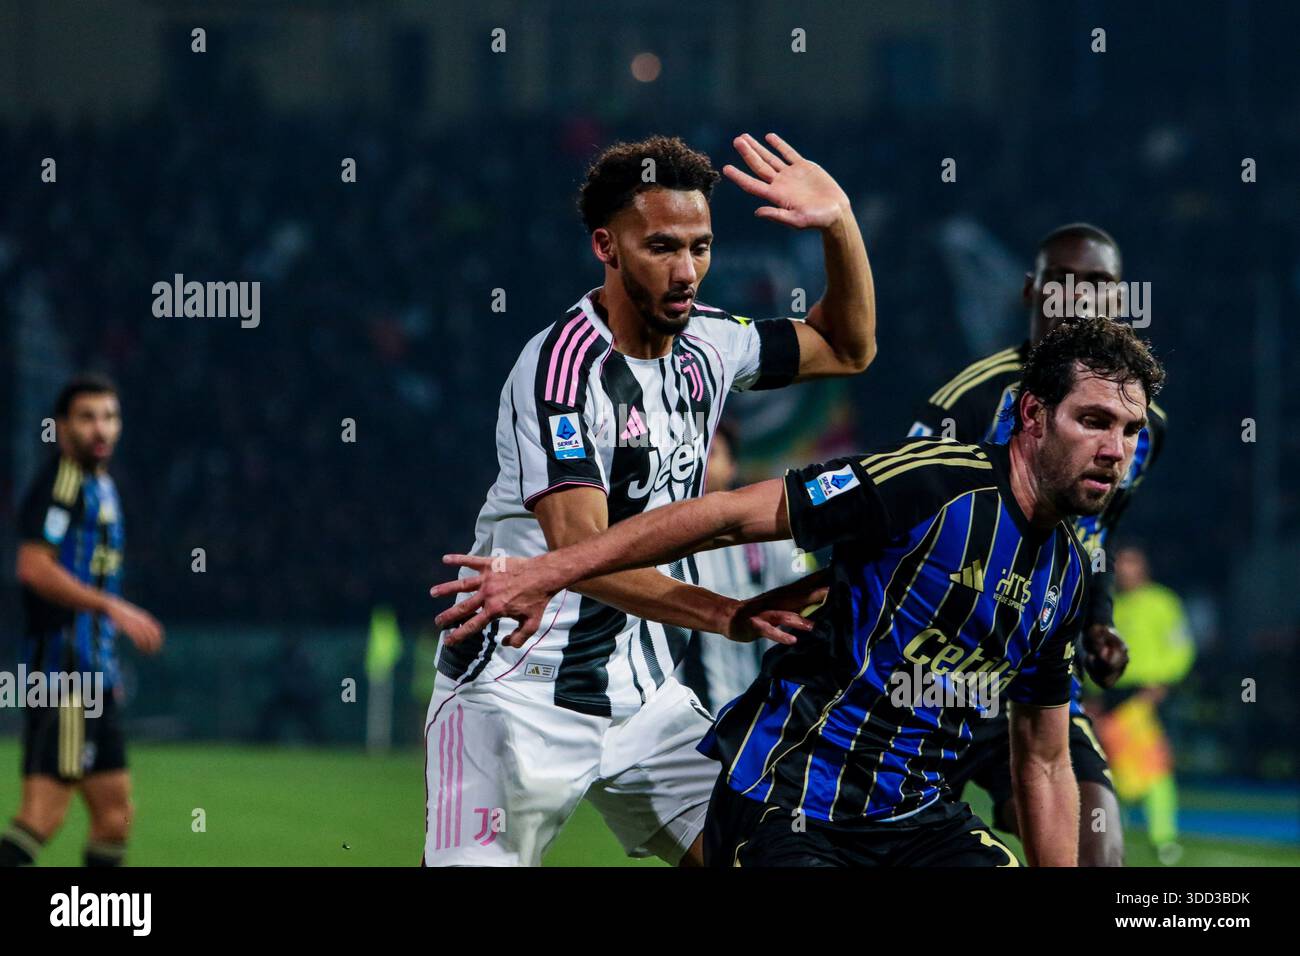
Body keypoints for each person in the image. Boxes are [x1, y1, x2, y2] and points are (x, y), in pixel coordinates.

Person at [435, 317, 1167, 867]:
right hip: (792, 808)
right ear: (1033, 417)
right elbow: (726, 516)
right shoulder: (927, 484)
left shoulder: (1071, 571)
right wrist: (552, 569)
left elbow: (1041, 759)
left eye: (1130, 430)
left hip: (920, 822)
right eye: (1094, 420)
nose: (1115, 449)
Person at [423, 132, 876, 866]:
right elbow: (580, 555)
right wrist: (721, 614)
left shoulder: (712, 345)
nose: (686, 270)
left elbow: (850, 347)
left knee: (770, 858)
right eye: (662, 247)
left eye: (700, 247)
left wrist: (840, 225)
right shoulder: (563, 372)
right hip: (518, 691)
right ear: (606, 246)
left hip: (646, 698)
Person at [907, 222, 1168, 865]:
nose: (1083, 299)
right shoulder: (970, 399)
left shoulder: (1143, 429)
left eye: (1101, 286)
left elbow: (1096, 540)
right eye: (1066, 283)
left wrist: (1098, 623)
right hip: (927, 679)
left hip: (1037, 679)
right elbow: (894, 525)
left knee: (1096, 857)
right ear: (1033, 293)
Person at [0, 375, 165, 867]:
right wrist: (110, 607)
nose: (101, 429)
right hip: (64, 675)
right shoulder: (62, 483)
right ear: (61, 426)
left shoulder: (102, 485)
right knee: (42, 817)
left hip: (95, 672)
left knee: (115, 816)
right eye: (88, 417)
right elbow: (32, 567)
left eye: (110, 417)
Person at [675, 420, 815, 714]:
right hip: (679, 717)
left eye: (710, 453)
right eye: (688, 451)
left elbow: (808, 599)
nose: (697, 459)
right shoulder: (652, 544)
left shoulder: (771, 540)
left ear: (732, 466)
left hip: (759, 708)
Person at [1095, 544, 1196, 864]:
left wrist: (1163, 681)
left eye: (1132, 563)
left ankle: (1163, 838)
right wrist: (1093, 693)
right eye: (1121, 564)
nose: (1126, 570)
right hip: (1111, 695)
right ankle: (1114, 833)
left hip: (1145, 694)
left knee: (1155, 770)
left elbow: (1180, 647)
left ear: (1144, 567)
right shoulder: (1110, 605)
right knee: (1111, 770)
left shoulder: (1162, 602)